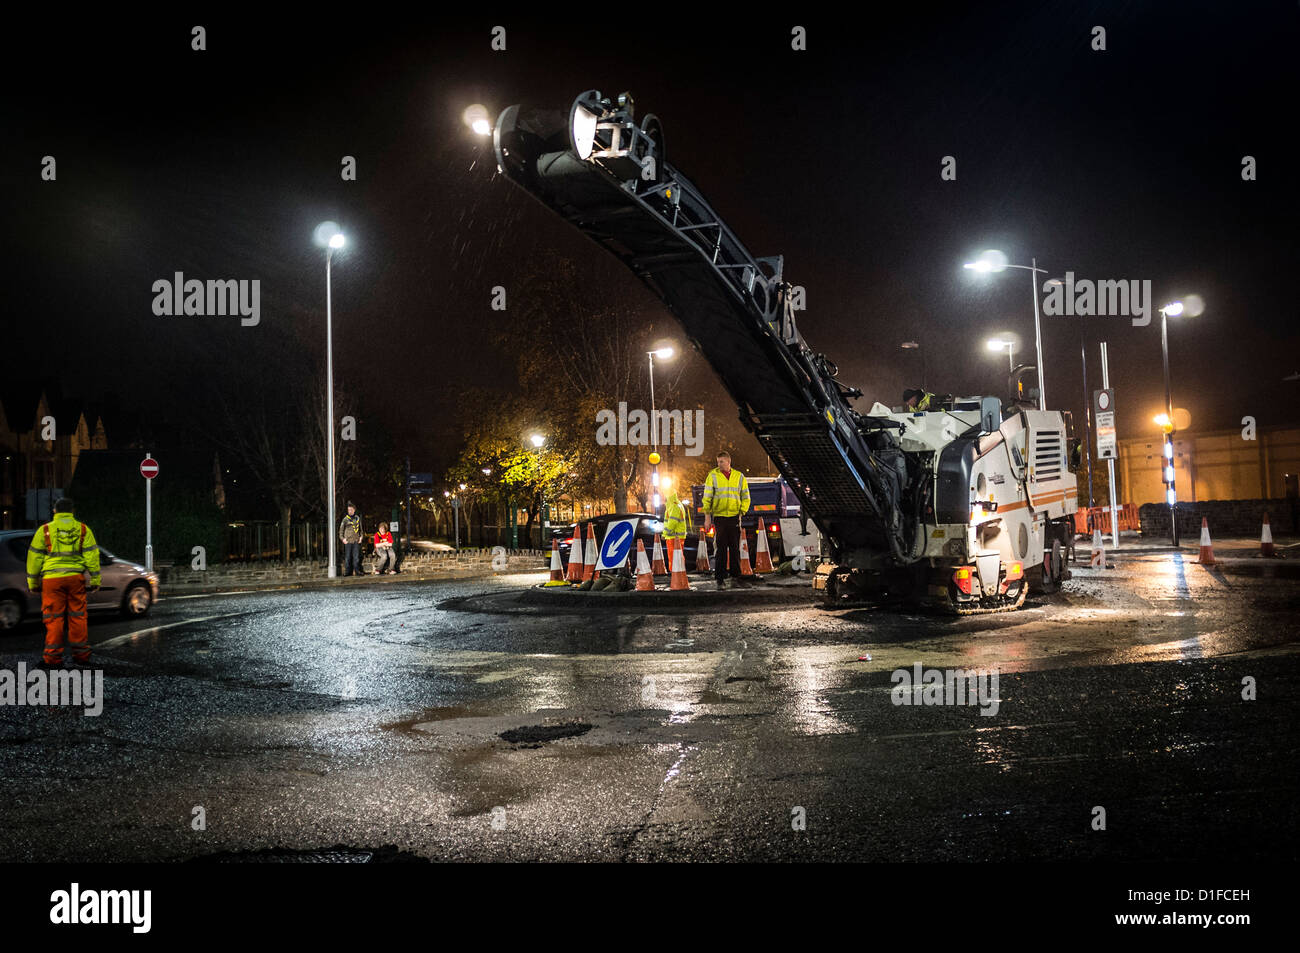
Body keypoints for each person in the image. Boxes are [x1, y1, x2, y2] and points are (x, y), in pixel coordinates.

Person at [26, 498, 101, 668]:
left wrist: (33, 583)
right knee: (78, 616)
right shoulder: (83, 529)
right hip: (75, 579)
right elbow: (92, 556)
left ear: (54, 511)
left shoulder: (45, 530)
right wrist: (95, 579)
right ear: (72, 511)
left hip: (52, 581)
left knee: (53, 618)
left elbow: (34, 558)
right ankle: (81, 656)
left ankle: (53, 659)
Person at [701, 451, 751, 589]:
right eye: (718, 462)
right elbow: (707, 497)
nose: (719, 464)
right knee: (721, 549)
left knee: (735, 548)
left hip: (734, 516)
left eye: (721, 462)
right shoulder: (713, 475)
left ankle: (736, 578)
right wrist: (707, 517)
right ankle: (720, 580)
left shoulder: (739, 476)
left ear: (728, 462)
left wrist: (741, 512)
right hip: (720, 517)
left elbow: (745, 496)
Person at [662, 487, 689, 571]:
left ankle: (675, 575)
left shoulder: (674, 506)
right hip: (676, 536)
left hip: (674, 537)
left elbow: (672, 522)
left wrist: (665, 533)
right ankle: (678, 575)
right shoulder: (676, 504)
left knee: (674, 558)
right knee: (677, 558)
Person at [339, 503, 362, 576]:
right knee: (348, 557)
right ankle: (347, 572)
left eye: (351, 510)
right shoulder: (345, 519)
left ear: (354, 510)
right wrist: (343, 539)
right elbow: (341, 531)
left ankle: (357, 571)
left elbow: (361, 530)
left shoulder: (357, 518)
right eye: (349, 510)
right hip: (348, 541)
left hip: (356, 540)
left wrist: (361, 537)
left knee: (356, 557)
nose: (350, 511)